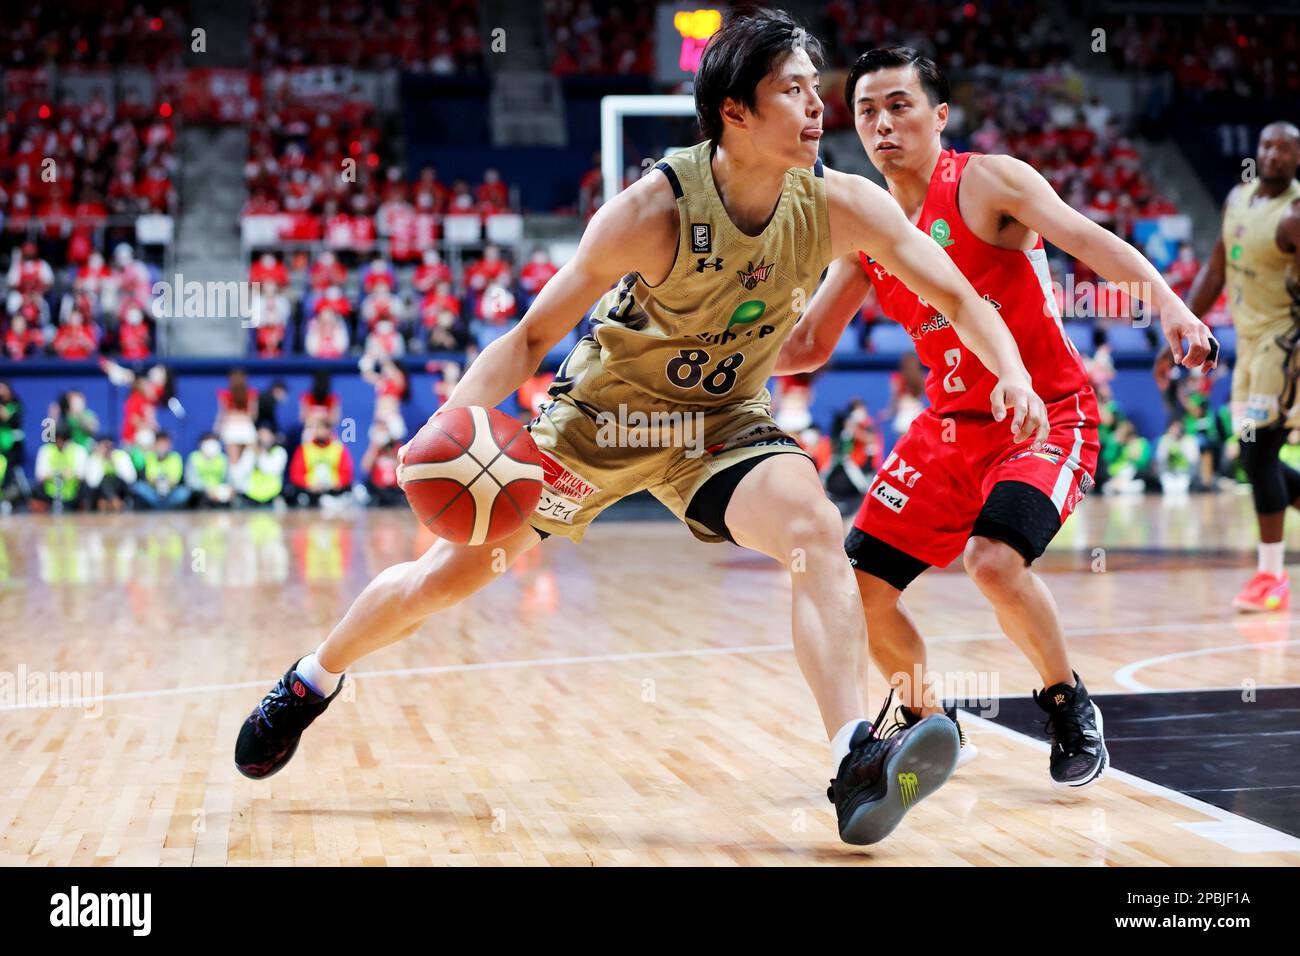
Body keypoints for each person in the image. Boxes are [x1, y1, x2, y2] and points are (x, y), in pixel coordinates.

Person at [235, 10, 1050, 847]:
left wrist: (1014, 375)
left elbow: (959, 294)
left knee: (813, 527)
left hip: (722, 424)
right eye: (793, 91)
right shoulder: (649, 211)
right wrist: (451, 421)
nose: (818, 109)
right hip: (602, 425)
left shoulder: (844, 206)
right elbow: (528, 340)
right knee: (440, 581)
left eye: (817, 89)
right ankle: (311, 680)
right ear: (735, 111)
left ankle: (854, 762)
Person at [776, 47, 1214, 789]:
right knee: (859, 588)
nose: (882, 123)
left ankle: (1066, 703)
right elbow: (811, 343)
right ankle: (930, 722)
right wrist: (711, 354)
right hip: (947, 431)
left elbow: (1090, 241)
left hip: (1048, 416)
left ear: (939, 116)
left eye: (899, 105)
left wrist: (1171, 306)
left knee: (993, 560)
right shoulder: (866, 228)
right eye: (867, 111)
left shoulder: (987, 182)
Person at [1177, 121, 1300, 611]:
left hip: (1285, 346)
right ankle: (1270, 575)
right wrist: (1184, 325)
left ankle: (1271, 577)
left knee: (1258, 452)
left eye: (1285, 149)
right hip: (1247, 346)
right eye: (1267, 145)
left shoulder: (1294, 215)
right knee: (1254, 455)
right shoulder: (1236, 199)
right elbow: (1214, 270)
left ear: (1295, 158)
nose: (1273, 155)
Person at [32, 423, 88, 512]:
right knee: (35, 490)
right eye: (56, 440)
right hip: (49, 493)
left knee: (86, 489)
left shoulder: (79, 450)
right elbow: (40, 475)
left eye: (61, 440)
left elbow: (82, 475)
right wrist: (56, 473)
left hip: (72, 495)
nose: (59, 443)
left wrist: (71, 474)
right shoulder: (46, 450)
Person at [132, 430, 190, 509]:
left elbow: (175, 480)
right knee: (139, 487)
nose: (162, 447)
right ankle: (161, 506)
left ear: (169, 445)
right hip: (154, 491)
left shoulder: (175, 457)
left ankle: (163, 506)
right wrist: (158, 482)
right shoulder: (149, 457)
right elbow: (148, 478)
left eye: (165, 444)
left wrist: (165, 482)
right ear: (155, 445)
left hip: (170, 491)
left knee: (184, 492)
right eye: (160, 444)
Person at [85, 437, 137, 511]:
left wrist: (115, 462)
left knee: (112, 479)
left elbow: (130, 478)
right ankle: (114, 501)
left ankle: (113, 501)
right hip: (100, 492)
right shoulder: (95, 458)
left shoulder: (121, 455)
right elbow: (92, 483)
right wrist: (99, 459)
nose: (107, 448)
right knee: (104, 481)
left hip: (120, 490)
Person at [185, 432, 234, 507]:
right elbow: (192, 482)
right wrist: (209, 491)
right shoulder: (194, 458)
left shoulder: (222, 459)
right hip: (200, 493)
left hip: (219, 492)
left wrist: (227, 489)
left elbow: (229, 479)